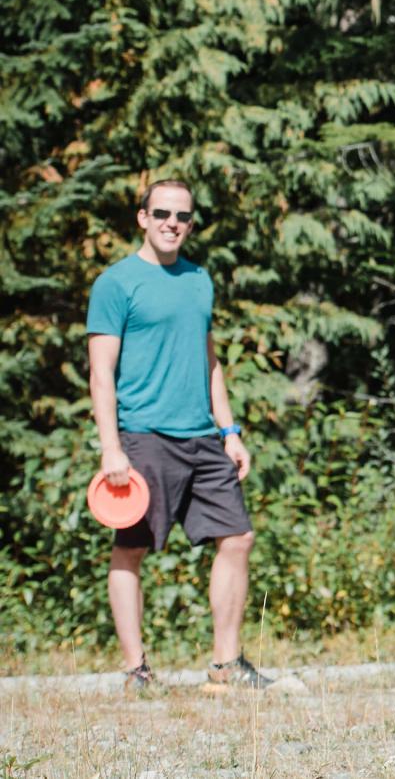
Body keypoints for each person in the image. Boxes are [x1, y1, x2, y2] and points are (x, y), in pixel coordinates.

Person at [87, 179, 268, 692]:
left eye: (182, 216)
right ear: (142, 217)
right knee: (133, 547)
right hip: (143, 437)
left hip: (203, 438)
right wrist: (111, 447)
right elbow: (101, 374)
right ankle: (135, 669)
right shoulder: (117, 283)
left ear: (191, 223)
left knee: (238, 537)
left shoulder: (198, 280)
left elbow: (209, 360)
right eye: (161, 212)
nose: (172, 223)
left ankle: (226, 664)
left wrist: (230, 430)